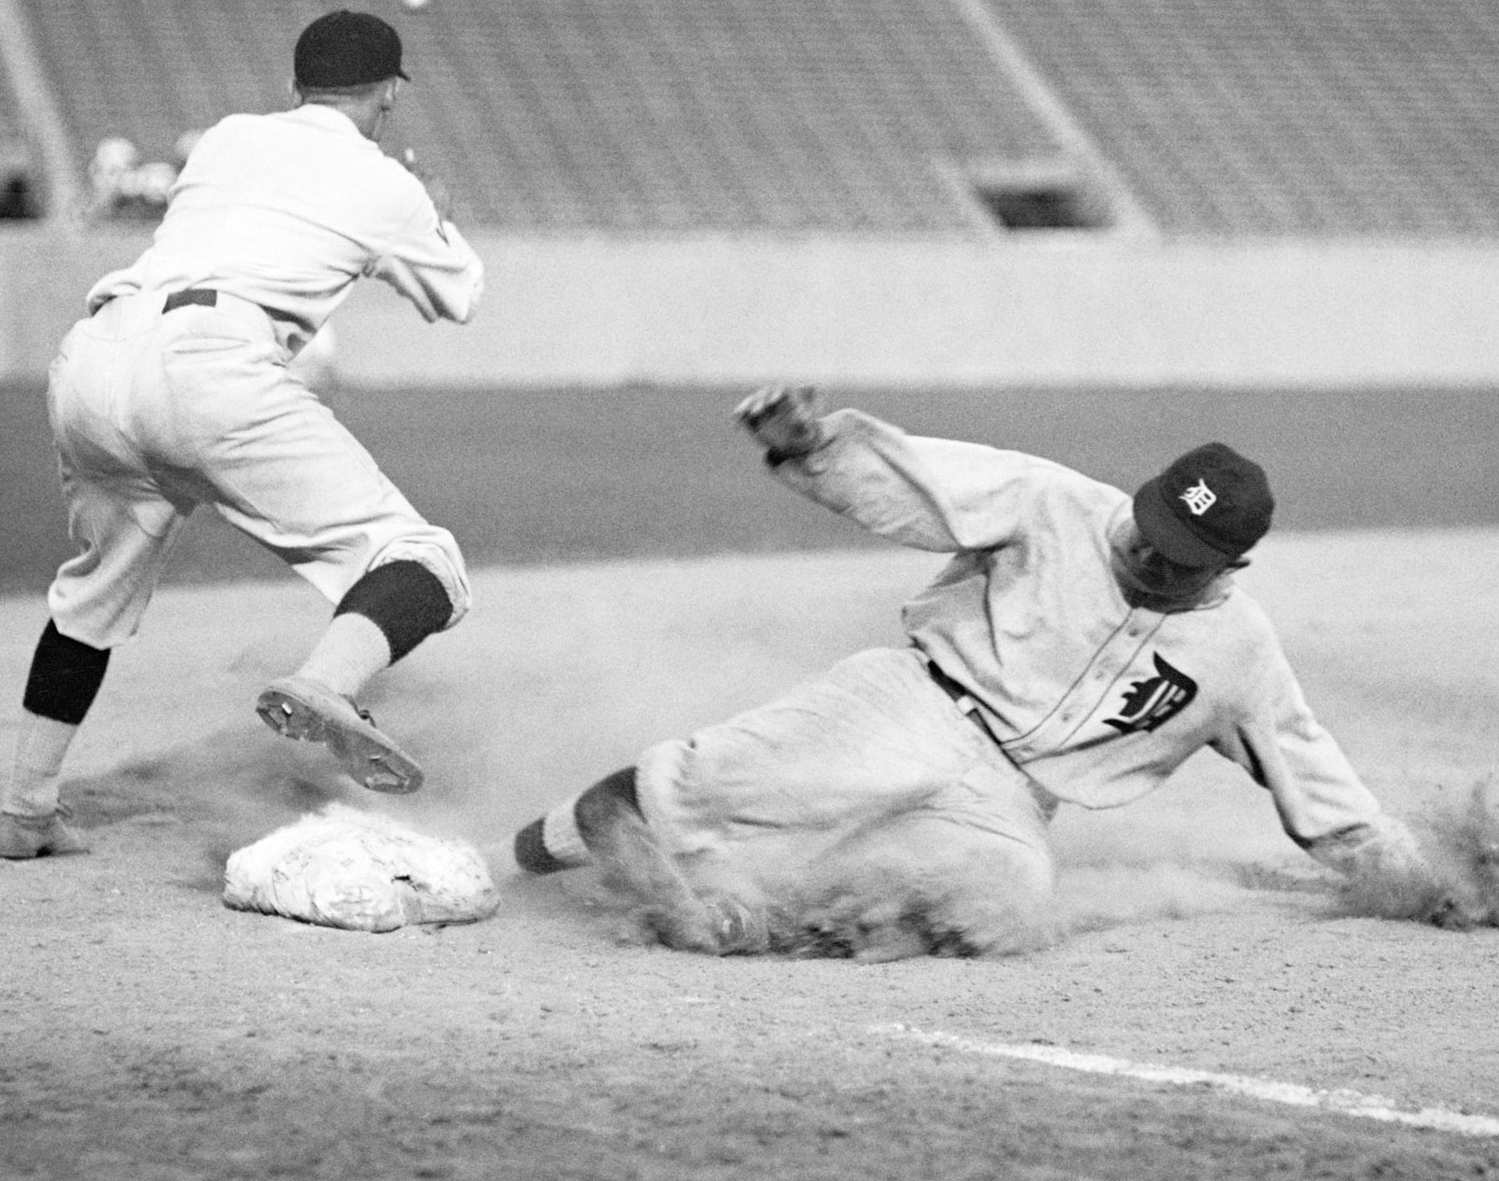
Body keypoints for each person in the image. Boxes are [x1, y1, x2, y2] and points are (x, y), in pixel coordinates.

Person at [507, 387, 1433, 956]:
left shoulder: (1240, 656)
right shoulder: (1055, 504)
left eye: (1179, 555)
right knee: (741, 787)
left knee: (1004, 904)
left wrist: (1423, 881)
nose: (1150, 557)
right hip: (917, 705)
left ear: (1231, 565)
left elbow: (1317, 783)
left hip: (1011, 803)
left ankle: (753, 925)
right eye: (1150, 532)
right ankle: (531, 849)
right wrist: (811, 444)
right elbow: (916, 482)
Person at [0, 10, 485, 861]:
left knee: (93, 595)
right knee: (422, 561)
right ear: (391, 92)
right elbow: (457, 297)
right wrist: (434, 215)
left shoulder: (226, 139)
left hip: (96, 359)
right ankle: (328, 686)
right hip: (211, 367)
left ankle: (26, 811)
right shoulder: (383, 182)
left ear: (296, 86)